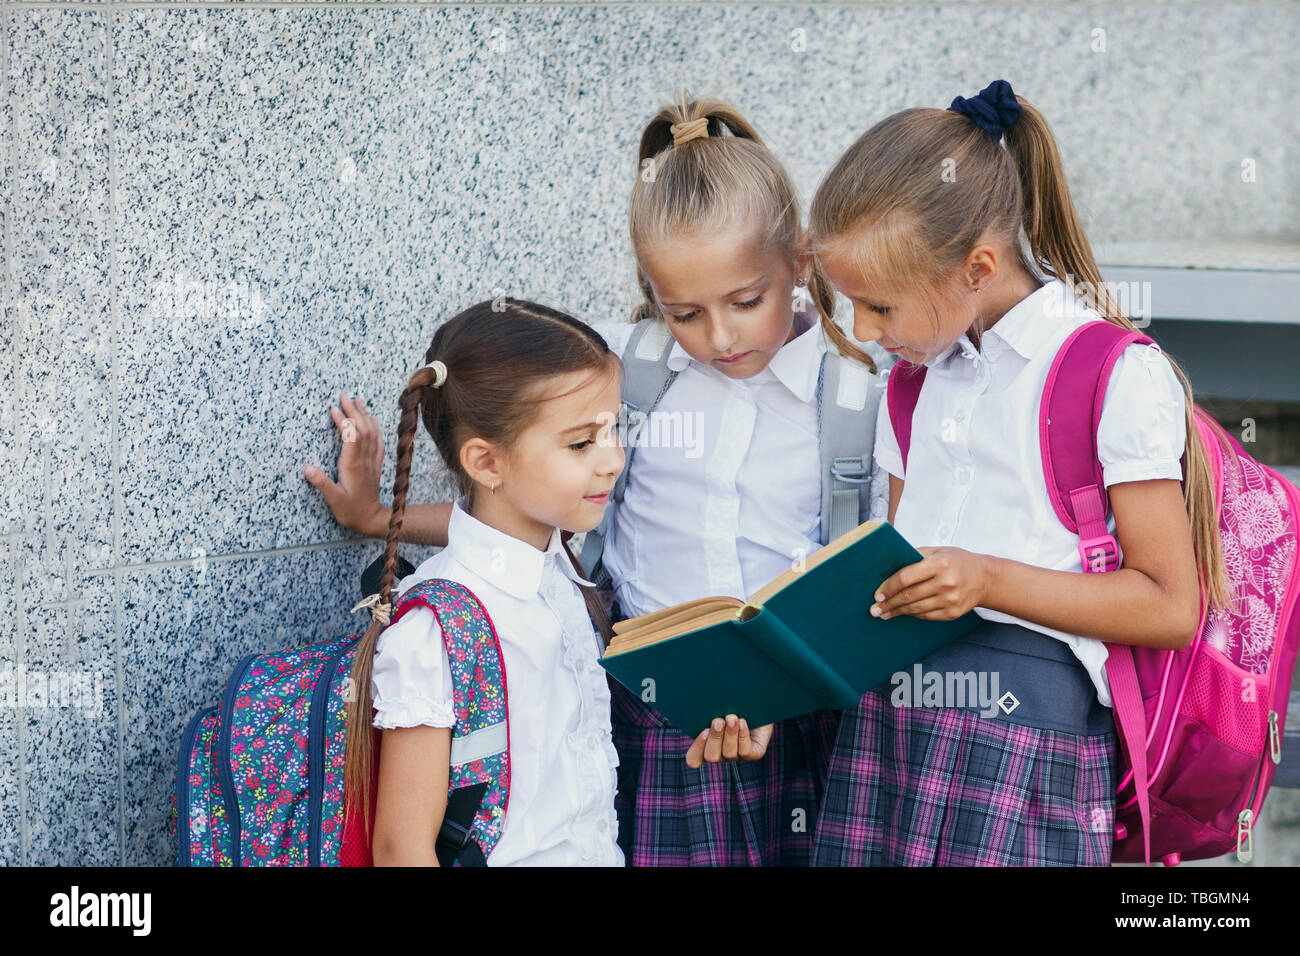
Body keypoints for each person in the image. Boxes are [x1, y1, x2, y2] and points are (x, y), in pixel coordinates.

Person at [310, 93, 888, 866]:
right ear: (651, 295)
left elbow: (869, 578)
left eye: (747, 302)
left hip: (799, 721)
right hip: (651, 715)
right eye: (684, 311)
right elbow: (519, 507)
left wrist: (789, 694)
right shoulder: (626, 372)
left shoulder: (856, 395)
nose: (719, 336)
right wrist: (379, 516)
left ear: (801, 262)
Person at [804, 79, 1226, 865]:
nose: (863, 330)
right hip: (890, 733)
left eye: (883, 306)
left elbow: (1171, 606)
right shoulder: (911, 383)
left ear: (978, 266)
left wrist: (986, 580)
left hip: (1025, 746)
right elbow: (899, 576)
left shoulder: (1110, 373)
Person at [342, 298, 626, 866]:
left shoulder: (563, 578)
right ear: (487, 463)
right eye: (581, 443)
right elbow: (402, 850)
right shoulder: (435, 633)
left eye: (614, 429)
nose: (613, 459)